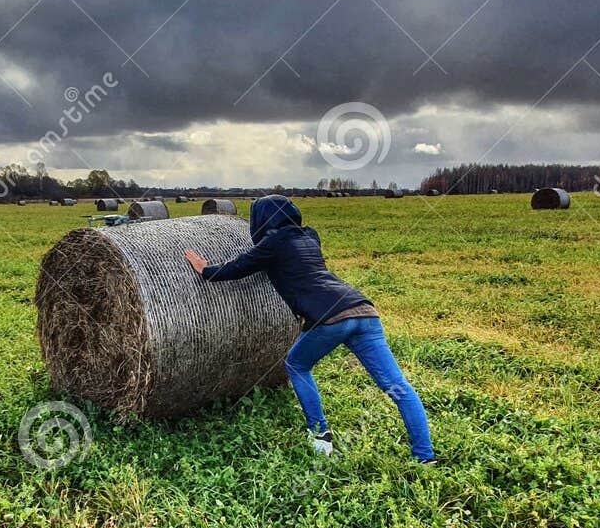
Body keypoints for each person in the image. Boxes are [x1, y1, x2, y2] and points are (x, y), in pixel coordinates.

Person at [184, 195, 435, 464]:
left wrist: (206, 270)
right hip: (364, 311)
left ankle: (320, 434)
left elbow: (239, 267)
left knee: (296, 365)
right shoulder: (310, 237)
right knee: (398, 387)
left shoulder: (274, 243)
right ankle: (425, 456)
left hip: (331, 317)